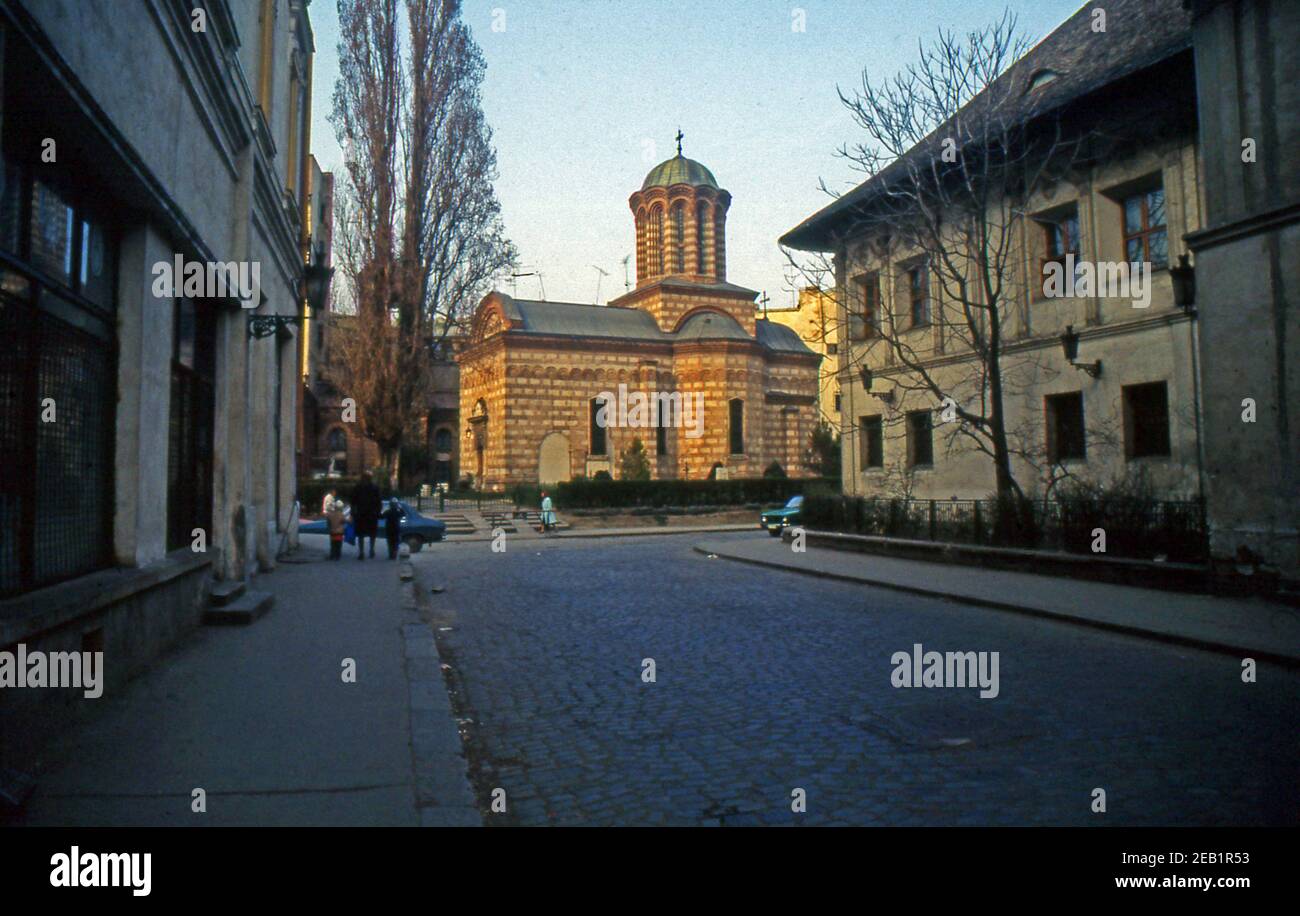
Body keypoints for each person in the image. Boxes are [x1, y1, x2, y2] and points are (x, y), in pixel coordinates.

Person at [350, 472, 383, 560]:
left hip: (361, 514)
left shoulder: (357, 487)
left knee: (361, 534)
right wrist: (378, 512)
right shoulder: (375, 488)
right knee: (372, 534)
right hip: (372, 514)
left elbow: (353, 502)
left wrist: (353, 514)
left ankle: (361, 552)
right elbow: (379, 502)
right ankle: (371, 550)